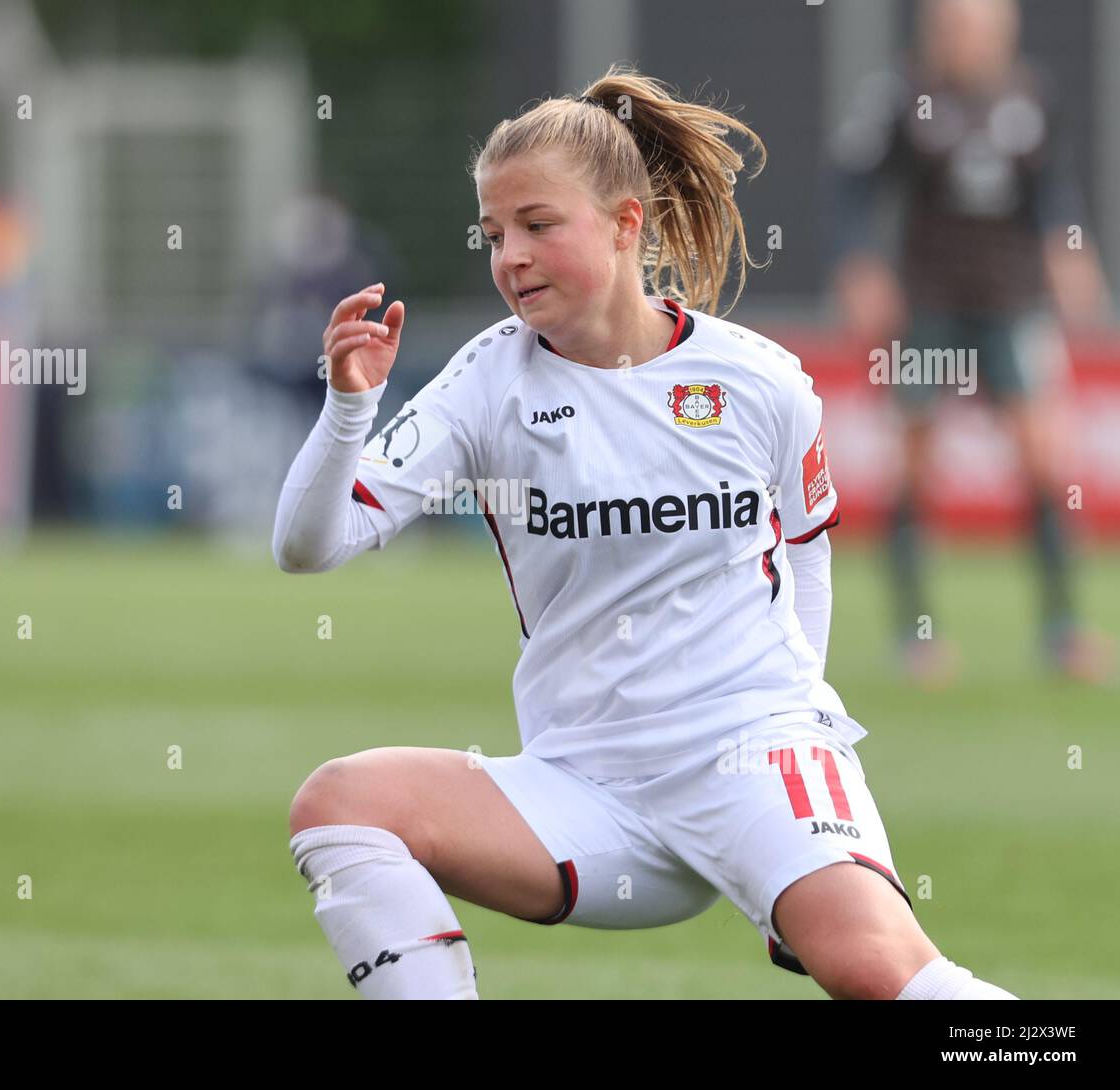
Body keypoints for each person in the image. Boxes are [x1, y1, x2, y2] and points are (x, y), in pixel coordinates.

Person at [273, 63, 1016, 1000]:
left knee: (878, 971)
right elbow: (309, 545)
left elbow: (806, 543)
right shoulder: (484, 381)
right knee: (341, 804)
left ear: (627, 225)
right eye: (496, 233)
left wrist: (799, 719)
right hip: (584, 787)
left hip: (752, 757)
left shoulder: (760, 380)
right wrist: (350, 407)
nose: (512, 256)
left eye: (540, 225)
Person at [830, 0, 1114, 685]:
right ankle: (915, 635)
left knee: (1044, 456)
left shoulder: (1030, 97)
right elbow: (853, 189)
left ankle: (1062, 630)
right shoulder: (900, 99)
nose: (968, 40)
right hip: (929, 304)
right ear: (935, 31)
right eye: (956, 27)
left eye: (981, 28)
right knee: (915, 459)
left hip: (1011, 306)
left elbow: (1054, 195)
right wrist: (861, 263)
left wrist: (1071, 255)